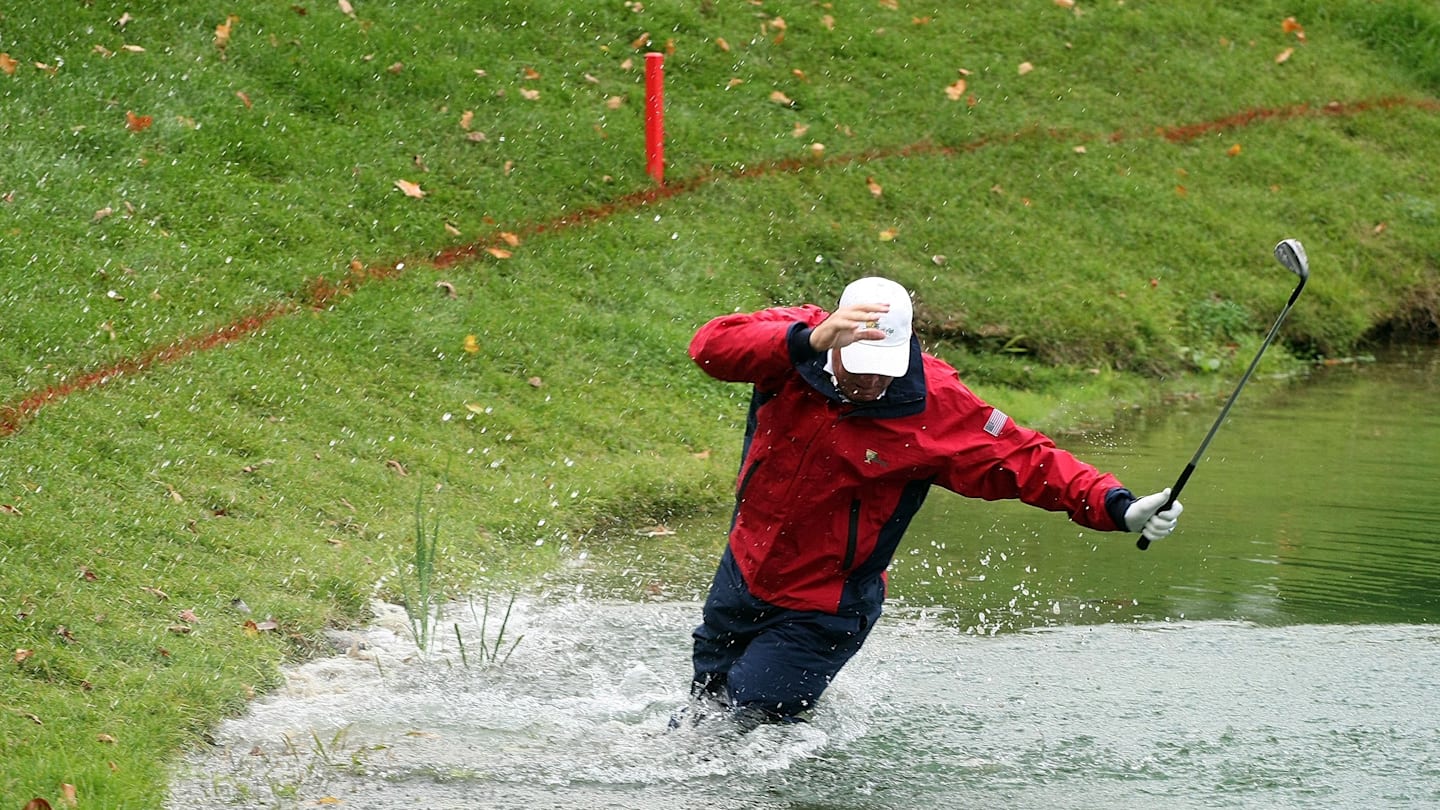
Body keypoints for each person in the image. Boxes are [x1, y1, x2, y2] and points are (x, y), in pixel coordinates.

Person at [680, 276, 1182, 727]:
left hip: (824, 606)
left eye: (884, 369)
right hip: (741, 573)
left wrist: (1116, 505)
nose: (871, 382)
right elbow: (710, 346)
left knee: (745, 721)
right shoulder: (796, 342)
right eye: (861, 366)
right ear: (834, 338)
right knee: (705, 707)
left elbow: (1028, 460)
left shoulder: (937, 404)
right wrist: (805, 341)